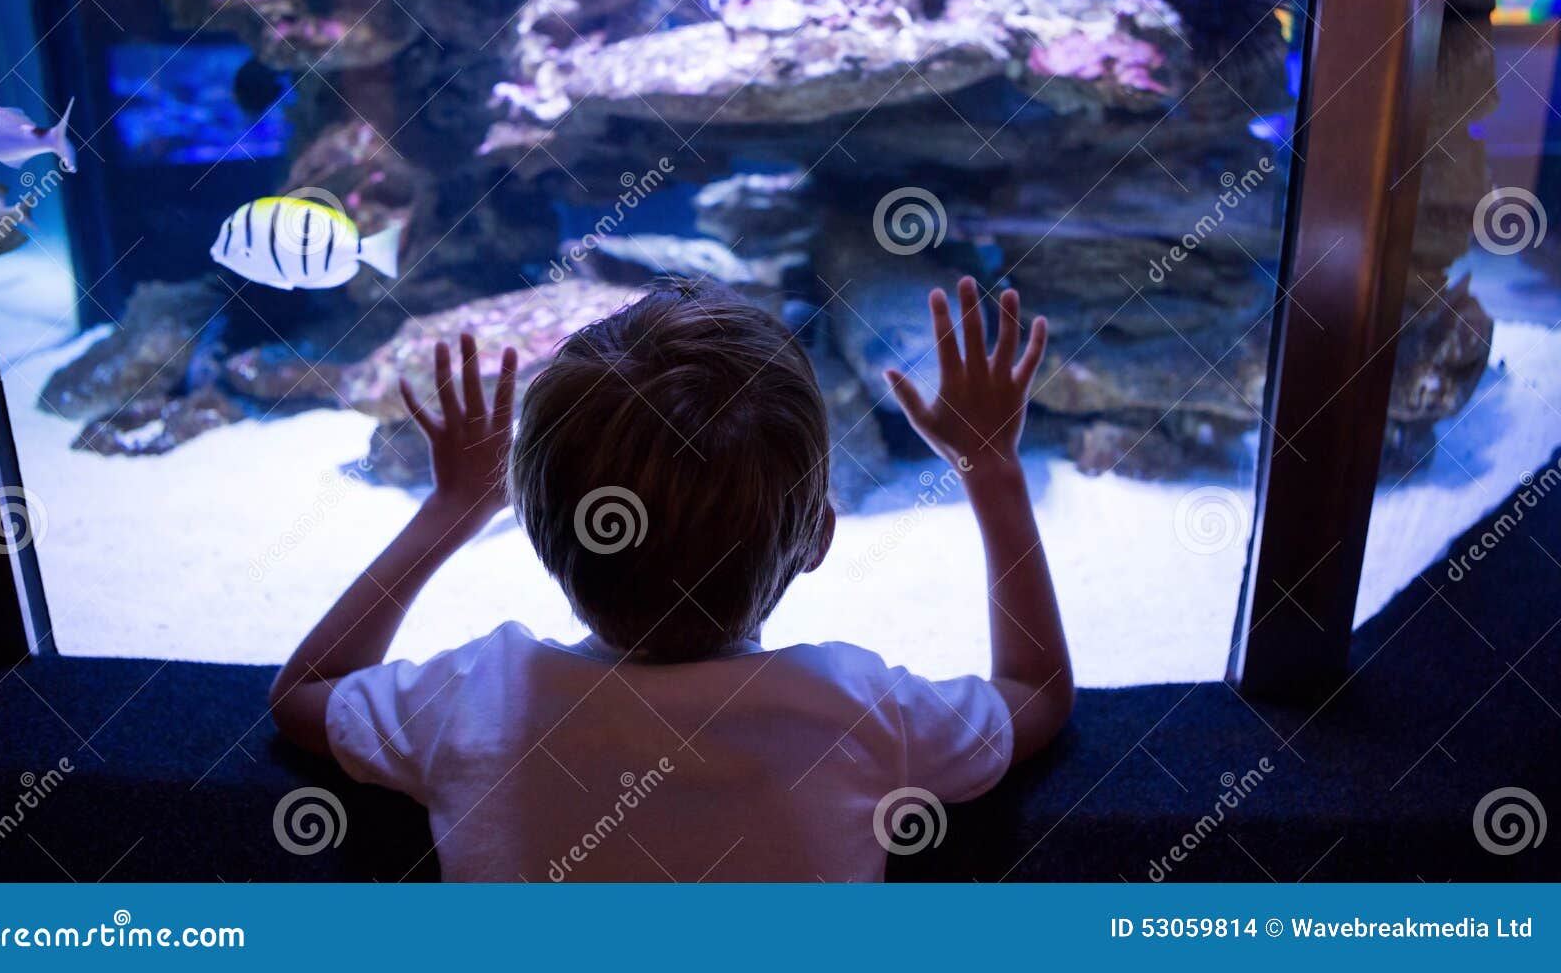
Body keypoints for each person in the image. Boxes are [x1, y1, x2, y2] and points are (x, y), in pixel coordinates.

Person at [269, 277, 1073, 880]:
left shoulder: (475, 698)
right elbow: (1036, 692)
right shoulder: (862, 710)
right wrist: (991, 469)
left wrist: (450, 510)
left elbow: (306, 690)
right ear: (819, 537)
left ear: (539, 531)